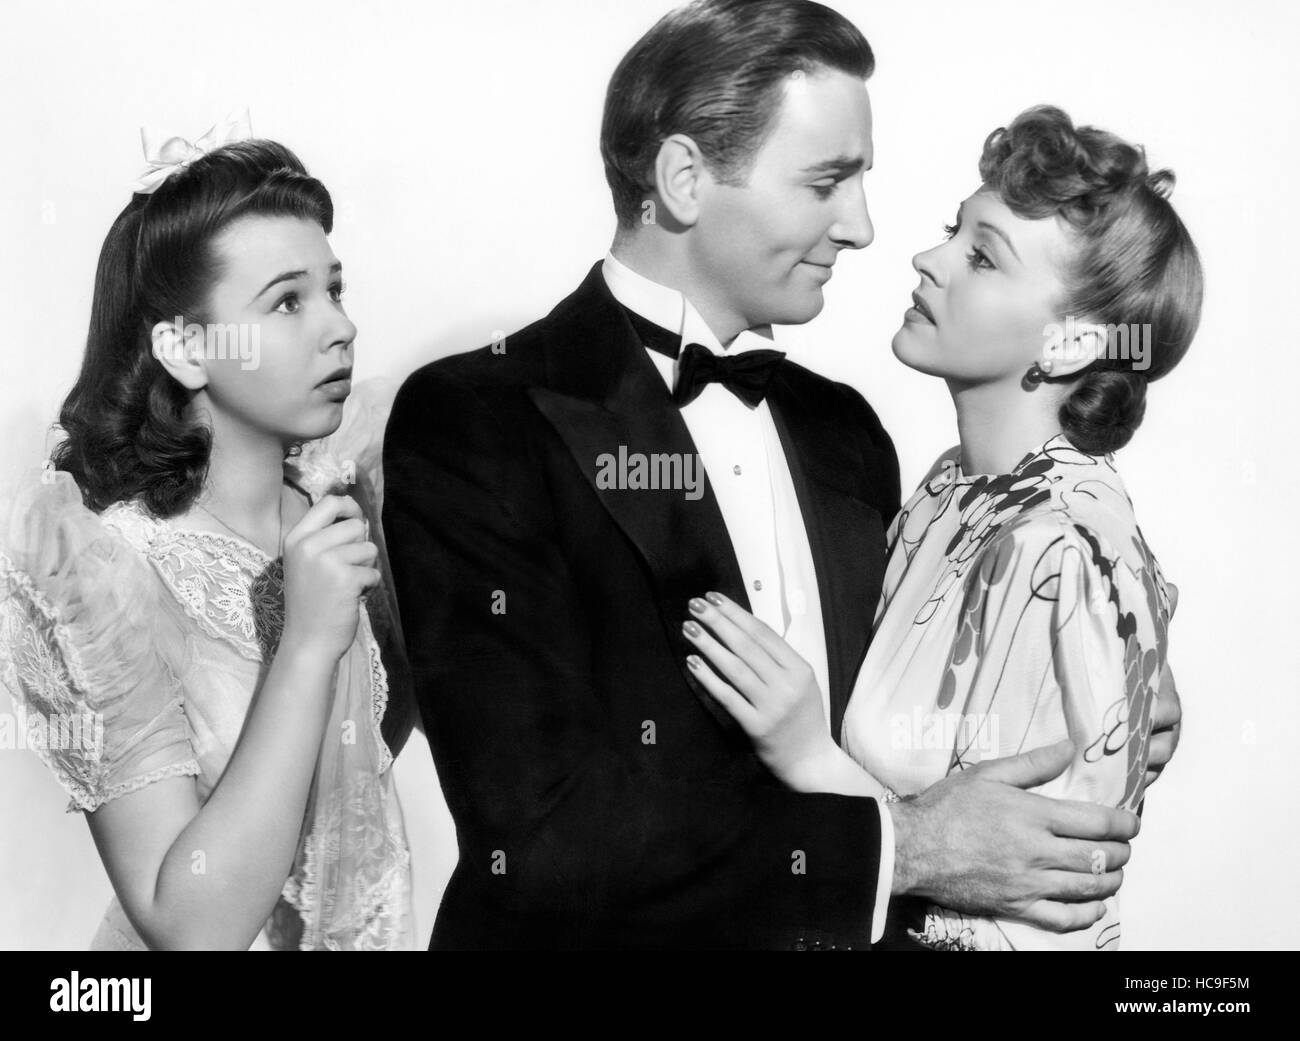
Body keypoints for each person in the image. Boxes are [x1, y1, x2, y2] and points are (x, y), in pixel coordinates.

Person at [382, 0, 1177, 949]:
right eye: (826, 182)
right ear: (684, 178)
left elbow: (931, 699)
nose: (865, 227)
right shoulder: (475, 419)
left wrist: (1106, 679)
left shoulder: (845, 432)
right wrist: (904, 847)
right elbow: (542, 833)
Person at [683, 104, 1201, 949]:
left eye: (983, 256)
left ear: (1071, 345)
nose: (927, 259)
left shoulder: (1063, 548)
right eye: (954, 233)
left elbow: (1032, 906)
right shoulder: (946, 489)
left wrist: (808, 752)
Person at [0, 118, 416, 950]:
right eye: (288, 300)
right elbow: (192, 929)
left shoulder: (338, 499)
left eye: (335, 289)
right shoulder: (104, 570)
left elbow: (359, 782)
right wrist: (303, 644)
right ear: (186, 349)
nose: (339, 326)